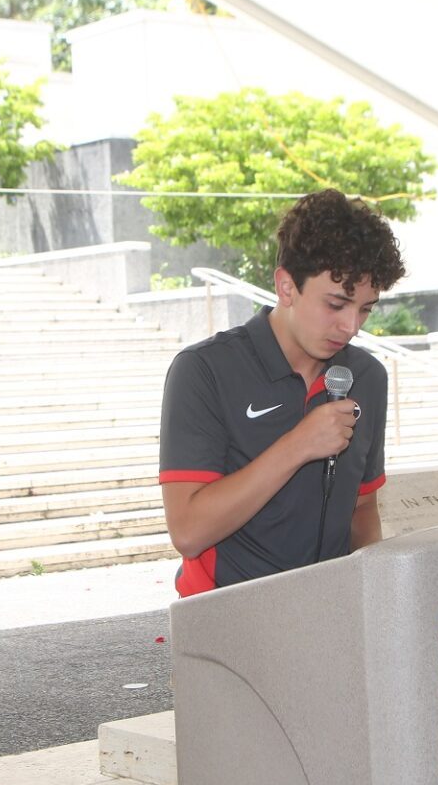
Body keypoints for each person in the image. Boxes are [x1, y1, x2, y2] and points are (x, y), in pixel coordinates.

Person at [158, 189, 408, 595]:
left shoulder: (368, 377)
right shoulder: (204, 370)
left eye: (365, 308)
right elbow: (188, 531)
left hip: (332, 612)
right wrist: (299, 445)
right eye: (336, 303)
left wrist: (372, 595)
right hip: (226, 615)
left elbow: (362, 510)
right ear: (287, 287)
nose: (351, 326)